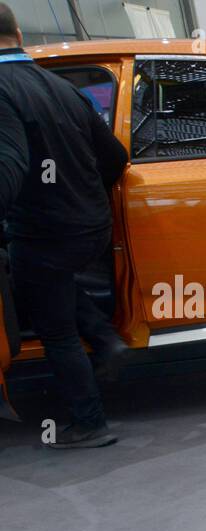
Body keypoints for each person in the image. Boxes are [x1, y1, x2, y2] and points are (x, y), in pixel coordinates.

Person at [0, 3, 128, 449]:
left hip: (44, 232)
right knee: (48, 282)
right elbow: (115, 157)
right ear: (17, 31)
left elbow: (9, 165)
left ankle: (90, 424)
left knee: (54, 328)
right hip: (91, 223)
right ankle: (105, 338)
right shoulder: (62, 86)